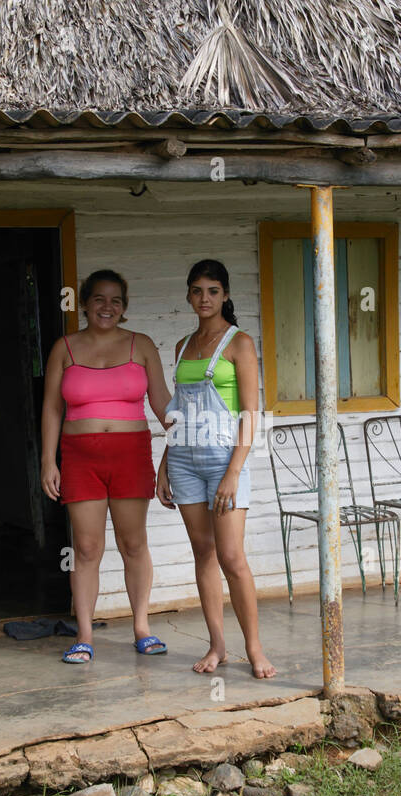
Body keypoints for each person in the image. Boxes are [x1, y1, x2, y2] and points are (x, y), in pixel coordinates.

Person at [40, 270, 172, 663]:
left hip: (131, 452)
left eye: (116, 301)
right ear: (84, 303)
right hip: (80, 455)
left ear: (125, 308)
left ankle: (142, 628)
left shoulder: (141, 345)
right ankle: (84, 635)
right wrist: (49, 460)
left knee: (133, 543)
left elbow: (163, 403)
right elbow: (51, 407)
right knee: (86, 546)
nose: (107, 307)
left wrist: (183, 445)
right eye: (99, 299)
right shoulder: (64, 347)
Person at [157, 260, 276, 679]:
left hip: (226, 460)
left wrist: (233, 472)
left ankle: (255, 649)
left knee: (231, 556)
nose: (203, 299)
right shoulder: (182, 346)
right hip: (185, 460)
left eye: (212, 291)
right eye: (196, 291)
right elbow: (177, 414)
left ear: (225, 295)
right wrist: (164, 465)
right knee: (203, 552)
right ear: (188, 296)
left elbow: (250, 413)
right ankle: (217, 645)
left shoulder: (239, 343)